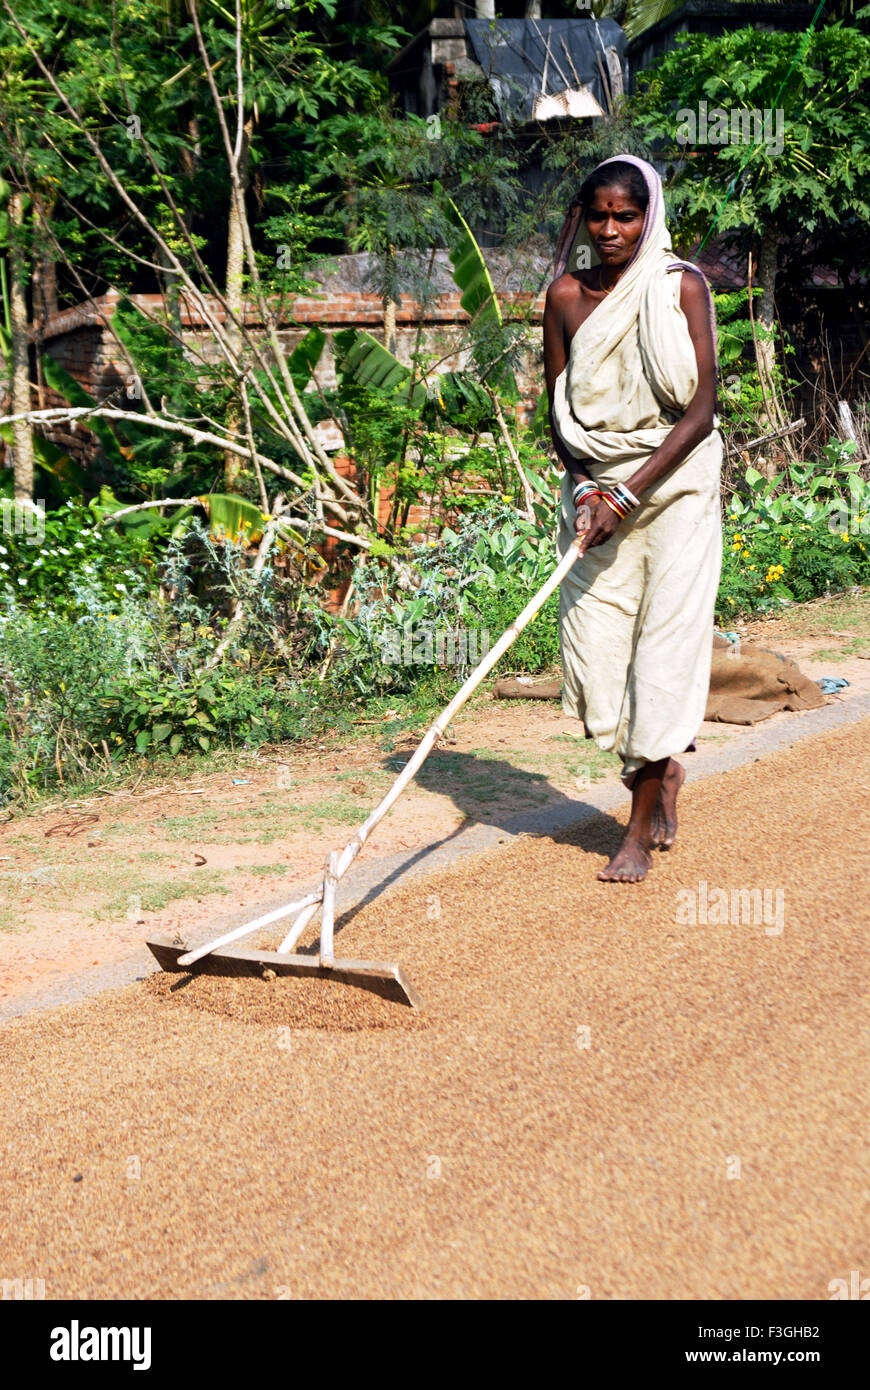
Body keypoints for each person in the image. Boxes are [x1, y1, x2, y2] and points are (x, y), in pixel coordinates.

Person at [542, 155, 722, 883]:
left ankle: (636, 832)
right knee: (598, 663)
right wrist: (588, 488)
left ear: (650, 217)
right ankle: (659, 770)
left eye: (627, 215)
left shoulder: (681, 287)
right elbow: (557, 416)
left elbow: (704, 409)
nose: (612, 230)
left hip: (675, 490)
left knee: (662, 656)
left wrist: (631, 492)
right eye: (600, 215)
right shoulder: (564, 297)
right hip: (597, 503)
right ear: (583, 218)